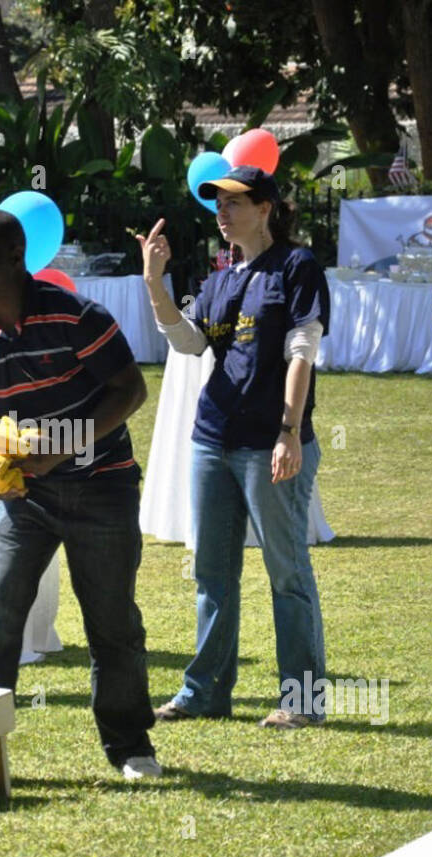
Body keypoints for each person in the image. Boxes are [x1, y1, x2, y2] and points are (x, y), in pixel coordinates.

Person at [0, 209, 159, 793]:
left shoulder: (77, 316)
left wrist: (63, 451)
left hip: (103, 485)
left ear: (16, 258)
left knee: (111, 622)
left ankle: (130, 745)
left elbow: (130, 389)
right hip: (26, 499)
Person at [143, 165, 330, 728]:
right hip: (212, 440)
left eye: (234, 202)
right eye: (217, 204)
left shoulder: (297, 266)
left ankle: (301, 701)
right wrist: (156, 283)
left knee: (287, 573)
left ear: (266, 207)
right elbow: (188, 343)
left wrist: (290, 430)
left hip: (270, 442)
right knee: (212, 574)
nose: (222, 213)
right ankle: (204, 693)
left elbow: (303, 350)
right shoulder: (221, 275)